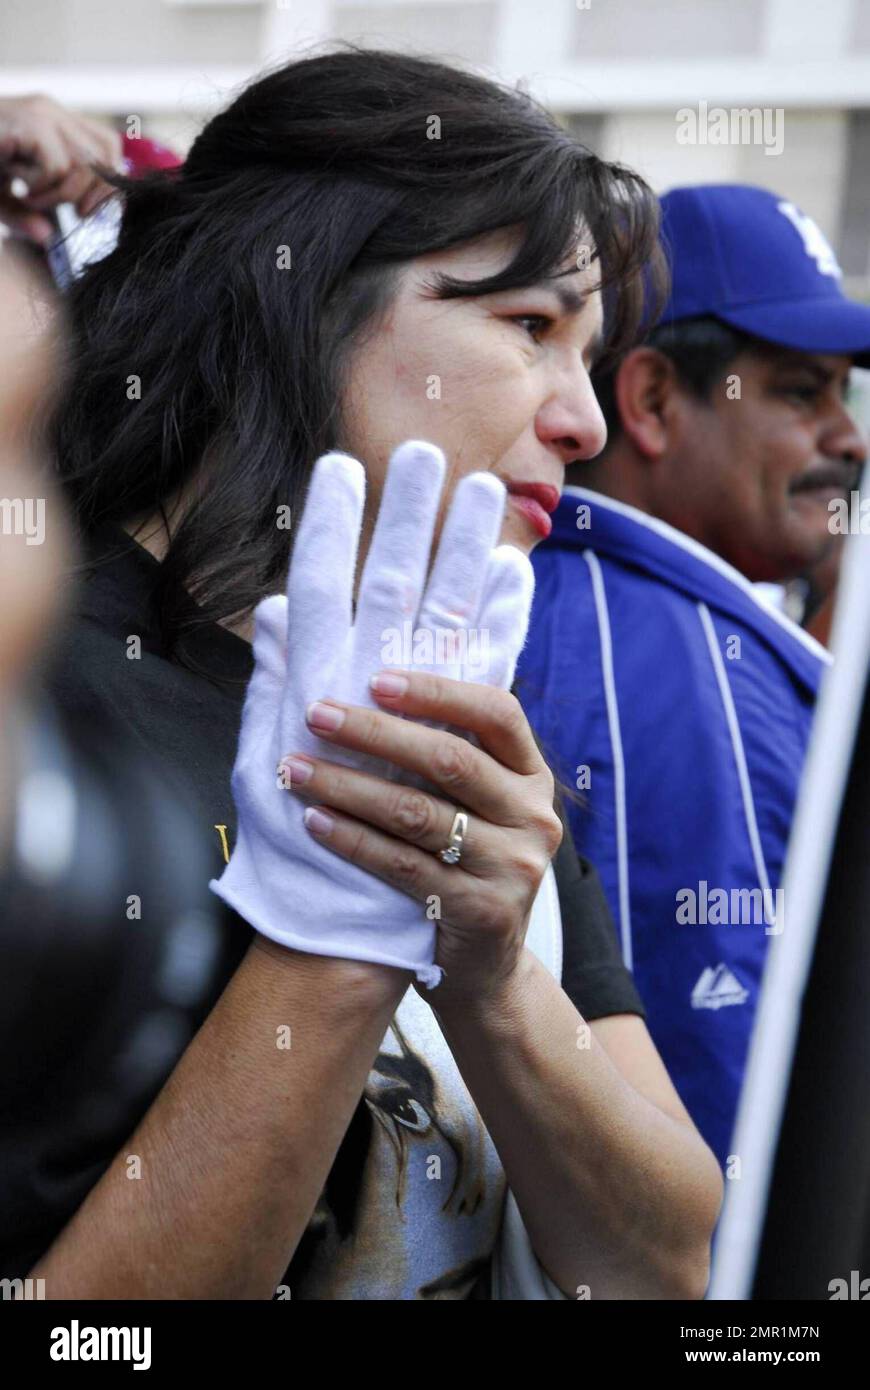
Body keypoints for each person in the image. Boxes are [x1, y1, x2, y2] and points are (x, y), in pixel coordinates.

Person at [24, 50, 721, 1299]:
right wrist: (336, 944)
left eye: (595, 352)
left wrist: (494, 972)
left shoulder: (455, 731)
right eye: (528, 326)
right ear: (294, 295)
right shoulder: (40, 719)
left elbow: (660, 1264)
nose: (588, 422)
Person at [516, 183, 870, 1169]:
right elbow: (723, 1135)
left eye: (846, 391)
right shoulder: (676, 675)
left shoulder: (578, 597)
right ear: (655, 401)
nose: (850, 439)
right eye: (803, 391)